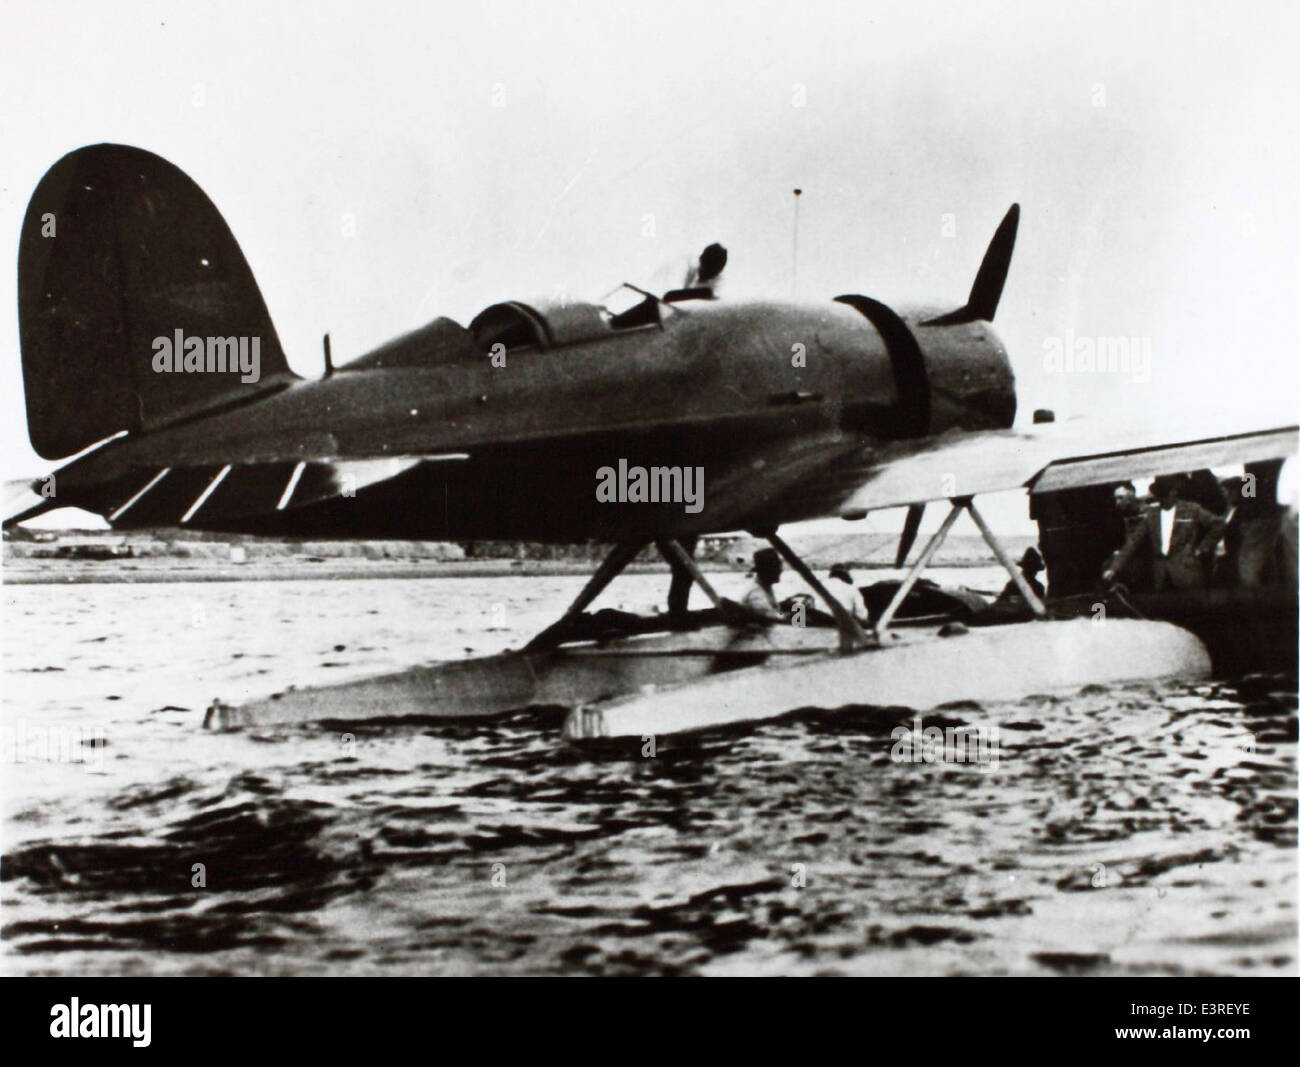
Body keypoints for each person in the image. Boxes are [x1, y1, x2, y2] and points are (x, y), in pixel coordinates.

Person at [1149, 473, 1225, 590]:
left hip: (1188, 570)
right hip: (1163, 574)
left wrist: (1202, 547)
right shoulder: (1153, 514)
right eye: (1160, 496)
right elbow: (1134, 541)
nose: (1161, 500)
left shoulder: (1191, 508)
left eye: (1164, 495)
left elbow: (1218, 523)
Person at [1102, 481, 1161, 591]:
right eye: (1116, 499)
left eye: (1120, 498)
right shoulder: (1122, 516)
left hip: (1150, 560)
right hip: (1133, 557)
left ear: (1131, 495)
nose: (1117, 503)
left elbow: (1135, 542)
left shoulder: (1149, 513)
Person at [740, 547, 786, 622]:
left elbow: (776, 613)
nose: (781, 570)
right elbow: (774, 619)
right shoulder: (756, 595)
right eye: (776, 567)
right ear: (766, 570)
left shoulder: (766, 589)